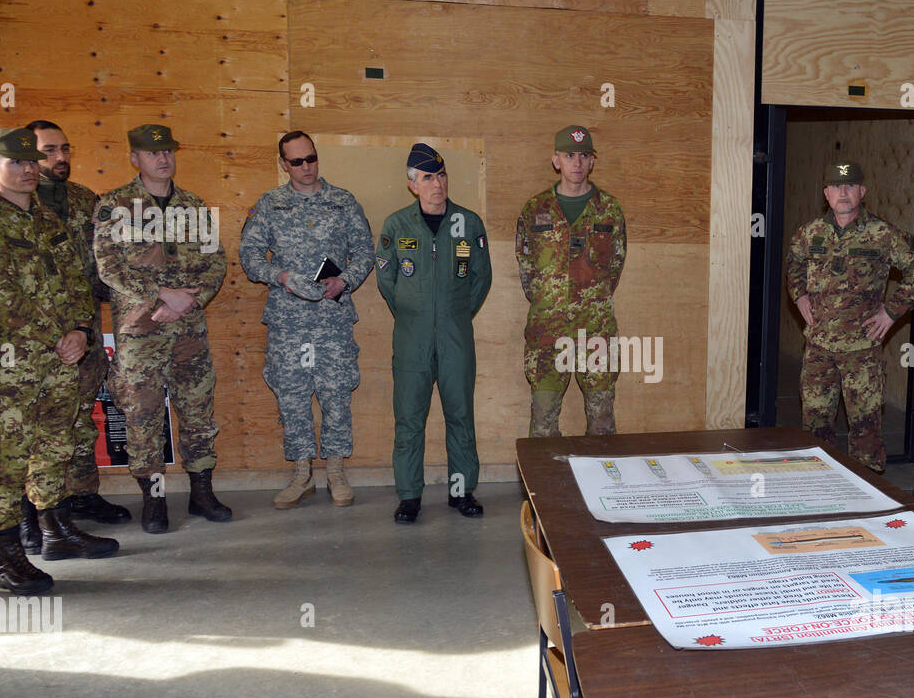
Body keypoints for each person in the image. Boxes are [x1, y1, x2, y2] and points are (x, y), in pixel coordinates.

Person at [0, 128, 118, 595]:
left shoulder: (49, 219)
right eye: (16, 163)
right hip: (16, 368)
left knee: (55, 448)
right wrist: (62, 337)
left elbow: (76, 284)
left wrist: (83, 333)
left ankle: (56, 531)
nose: (28, 170)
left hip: (63, 360)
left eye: (32, 162)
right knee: (9, 461)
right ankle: (7, 557)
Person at [93, 124, 230, 533]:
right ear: (135, 158)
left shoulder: (194, 206)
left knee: (198, 413)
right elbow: (109, 269)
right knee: (143, 417)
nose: (163, 158)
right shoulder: (114, 206)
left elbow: (216, 262)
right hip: (140, 335)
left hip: (189, 332)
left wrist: (192, 298)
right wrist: (162, 295)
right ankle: (154, 501)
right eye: (152, 153)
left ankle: (201, 493)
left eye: (168, 150)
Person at [240, 131, 374, 509]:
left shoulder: (343, 202)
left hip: (332, 319)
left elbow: (365, 251)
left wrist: (344, 280)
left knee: (335, 393)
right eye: (296, 161)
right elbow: (250, 256)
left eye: (311, 158)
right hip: (288, 321)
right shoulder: (270, 205)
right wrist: (280, 277)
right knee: (293, 397)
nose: (306, 167)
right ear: (284, 164)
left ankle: (335, 471)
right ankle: (302, 474)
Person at [784, 160, 914, 473]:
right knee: (815, 425)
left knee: (865, 431)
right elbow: (793, 264)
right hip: (819, 349)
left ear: (862, 191)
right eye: (836, 186)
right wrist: (799, 296)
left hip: (861, 350)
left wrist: (892, 312)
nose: (843, 192)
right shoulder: (810, 233)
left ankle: (869, 497)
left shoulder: (882, 234)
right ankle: (817, 489)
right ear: (826, 193)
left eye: (850, 185)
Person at [374, 143, 492, 523]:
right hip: (411, 339)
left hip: (456, 338)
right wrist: (415, 314)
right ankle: (410, 496)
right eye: (427, 178)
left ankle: (461, 492)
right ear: (413, 185)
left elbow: (480, 278)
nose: (437, 184)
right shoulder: (397, 225)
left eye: (441, 175)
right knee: (409, 418)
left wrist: (455, 315)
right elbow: (387, 279)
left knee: (460, 415)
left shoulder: (468, 223)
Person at [26, 120, 131, 542]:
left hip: (85, 329)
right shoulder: (17, 204)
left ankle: (83, 496)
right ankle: (37, 513)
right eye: (49, 150)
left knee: (82, 417)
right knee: (39, 425)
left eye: (65, 148)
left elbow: (106, 264)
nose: (60, 157)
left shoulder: (86, 200)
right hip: (37, 339)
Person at [515, 125, 627, 436]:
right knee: (543, 424)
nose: (576, 163)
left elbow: (616, 265)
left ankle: (603, 485)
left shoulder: (609, 209)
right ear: (556, 161)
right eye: (569, 155)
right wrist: (553, 302)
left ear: (592, 162)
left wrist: (588, 300)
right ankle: (546, 486)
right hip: (548, 333)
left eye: (583, 156)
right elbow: (527, 269)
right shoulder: (536, 209)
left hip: (597, 331)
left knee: (602, 423)